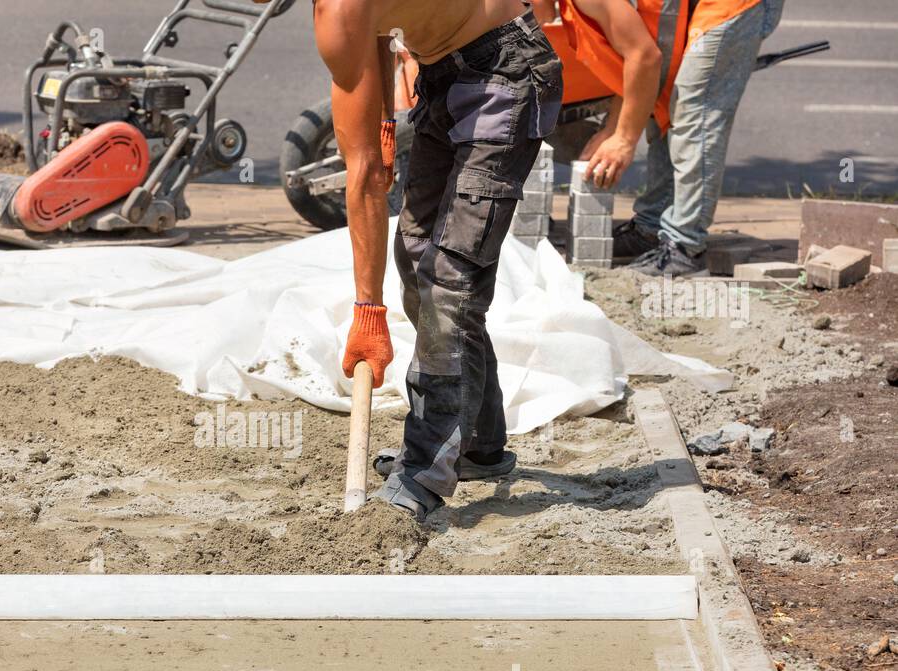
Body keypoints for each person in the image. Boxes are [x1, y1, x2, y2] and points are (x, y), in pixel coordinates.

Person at [279, 0, 563, 521]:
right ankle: (478, 444)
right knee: (415, 257)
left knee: (449, 279)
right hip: (443, 76)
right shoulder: (345, 16)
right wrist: (384, 125)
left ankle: (425, 470)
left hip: (505, 71)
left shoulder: (338, 11)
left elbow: (361, 174)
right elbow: (382, 40)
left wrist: (368, 314)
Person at [613, 0, 785, 275]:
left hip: (731, 5)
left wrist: (622, 136)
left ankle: (685, 246)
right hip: (685, 6)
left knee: (696, 108)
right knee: (666, 94)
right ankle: (651, 226)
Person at [532, 0, 666, 191]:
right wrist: (612, 128)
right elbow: (630, 68)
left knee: (685, 146)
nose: (524, 23)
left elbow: (645, 57)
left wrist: (623, 139)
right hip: (672, 43)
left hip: (709, 22)